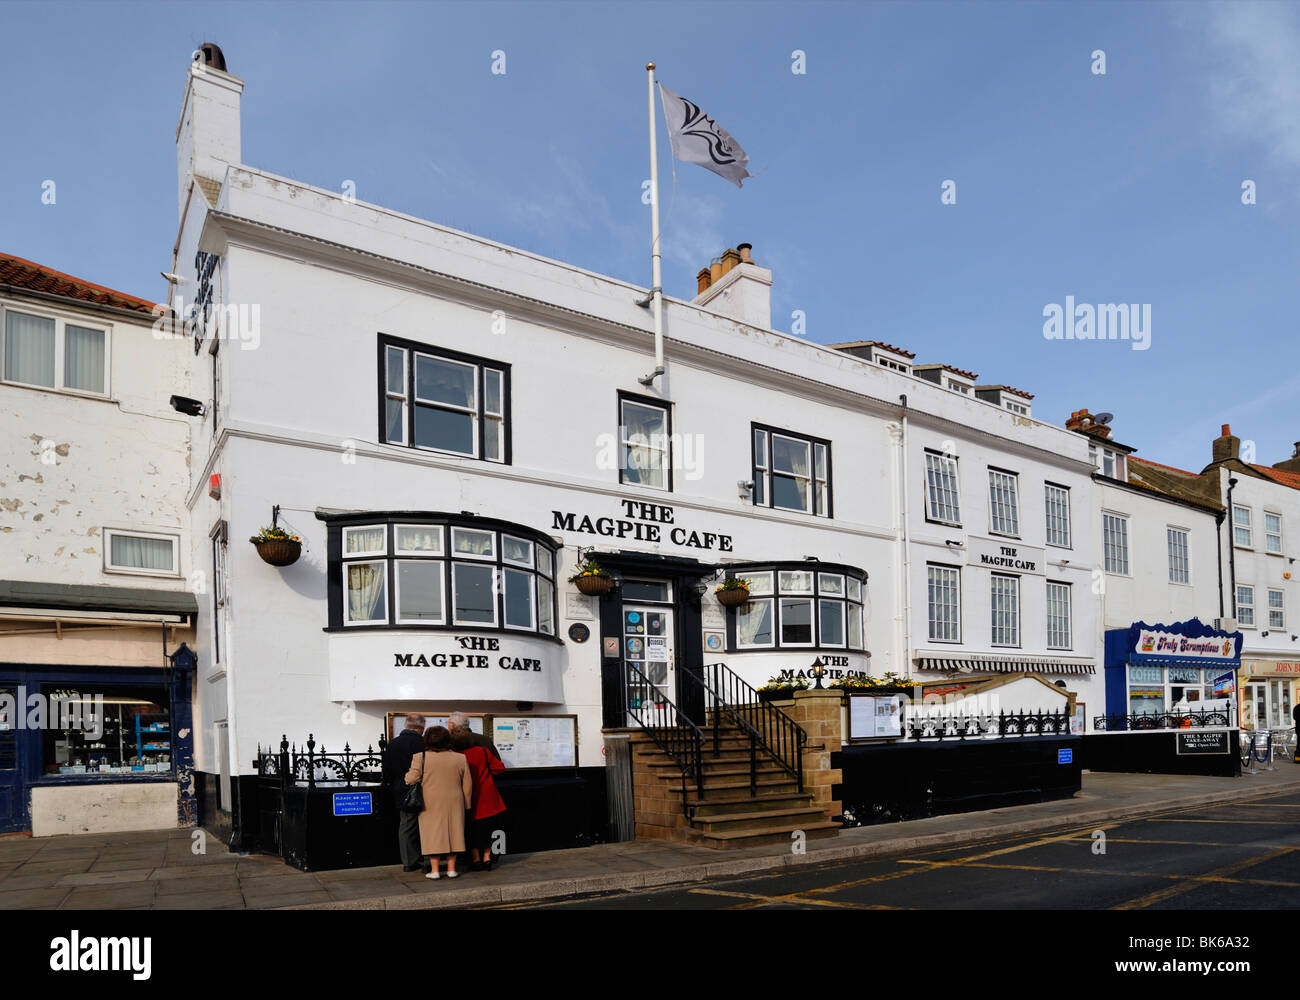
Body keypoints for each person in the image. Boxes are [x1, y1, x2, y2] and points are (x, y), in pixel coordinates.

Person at [405, 725, 472, 879]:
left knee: (432, 834)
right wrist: (467, 804)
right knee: (454, 832)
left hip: (430, 800)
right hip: (455, 800)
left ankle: (435, 870)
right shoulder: (460, 758)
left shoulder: (420, 757)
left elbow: (411, 779)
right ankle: (451, 869)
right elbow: (467, 784)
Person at [451, 724, 507, 871]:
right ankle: (487, 857)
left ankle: (476, 858)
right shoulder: (482, 751)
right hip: (486, 794)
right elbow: (499, 768)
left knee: (470, 829)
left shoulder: (453, 755)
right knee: (488, 827)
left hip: (465, 796)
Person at [382, 712, 426, 873]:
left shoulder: (392, 744)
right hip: (423, 789)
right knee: (427, 826)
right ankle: (427, 858)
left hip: (402, 791)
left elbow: (387, 771)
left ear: (406, 725)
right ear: (422, 727)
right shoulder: (422, 743)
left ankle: (409, 861)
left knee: (406, 826)